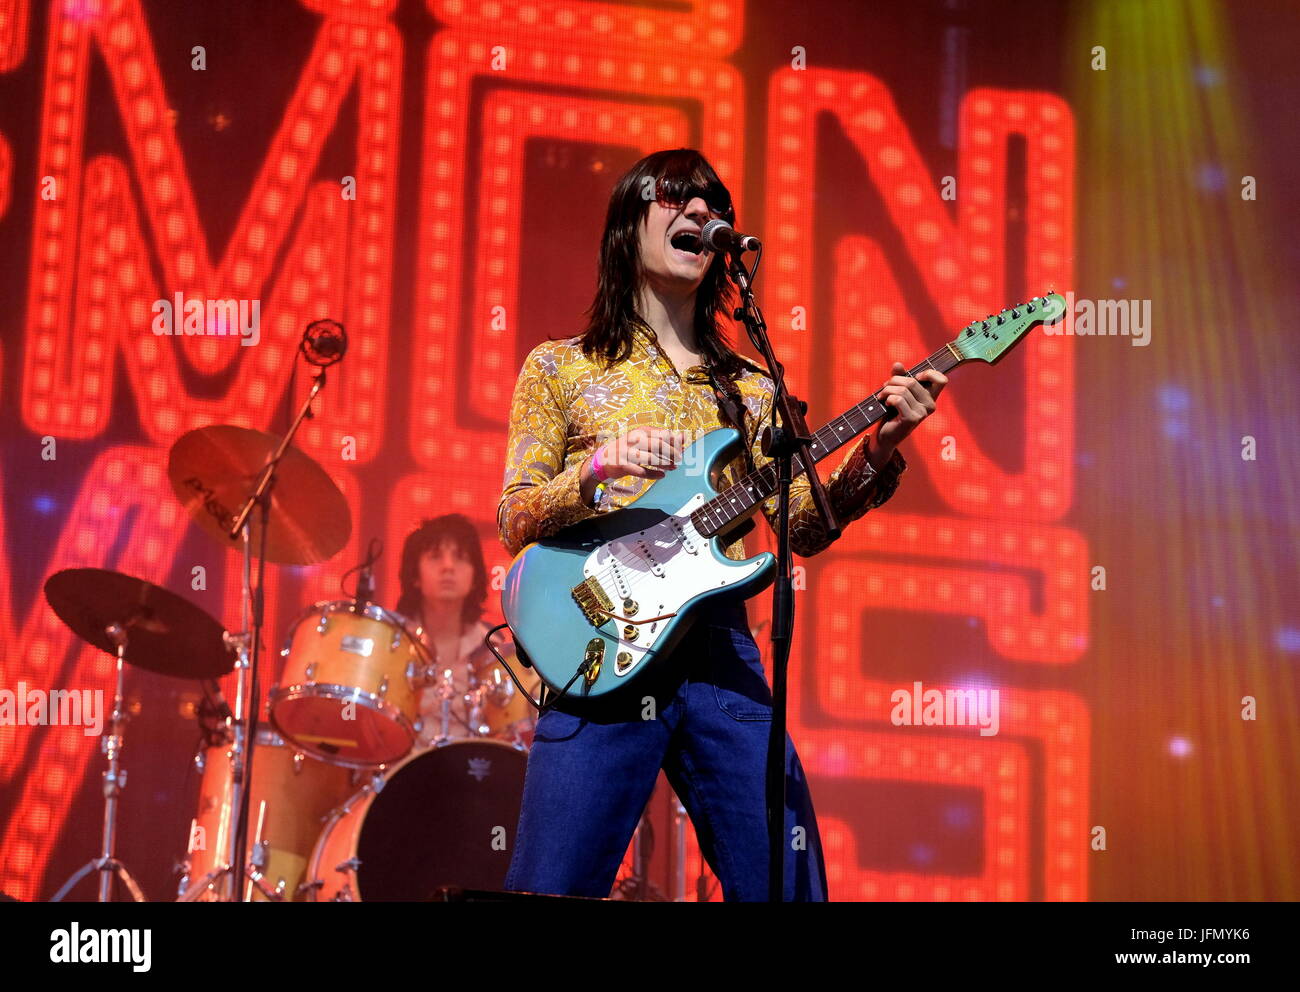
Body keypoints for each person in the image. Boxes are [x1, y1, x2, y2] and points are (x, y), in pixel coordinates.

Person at [496, 148, 946, 900]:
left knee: (787, 882)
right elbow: (515, 514)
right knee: (551, 886)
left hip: (720, 657)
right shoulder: (561, 368)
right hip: (601, 647)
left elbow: (801, 524)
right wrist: (595, 472)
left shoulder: (751, 387)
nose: (702, 214)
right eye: (677, 198)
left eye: (714, 204)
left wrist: (880, 447)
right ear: (626, 225)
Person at [395, 514, 538, 748]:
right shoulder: (393, 642)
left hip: (474, 773)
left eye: (461, 558)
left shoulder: (496, 647)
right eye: (435, 557)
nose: (448, 567)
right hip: (400, 773)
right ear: (414, 575)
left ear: (475, 576)